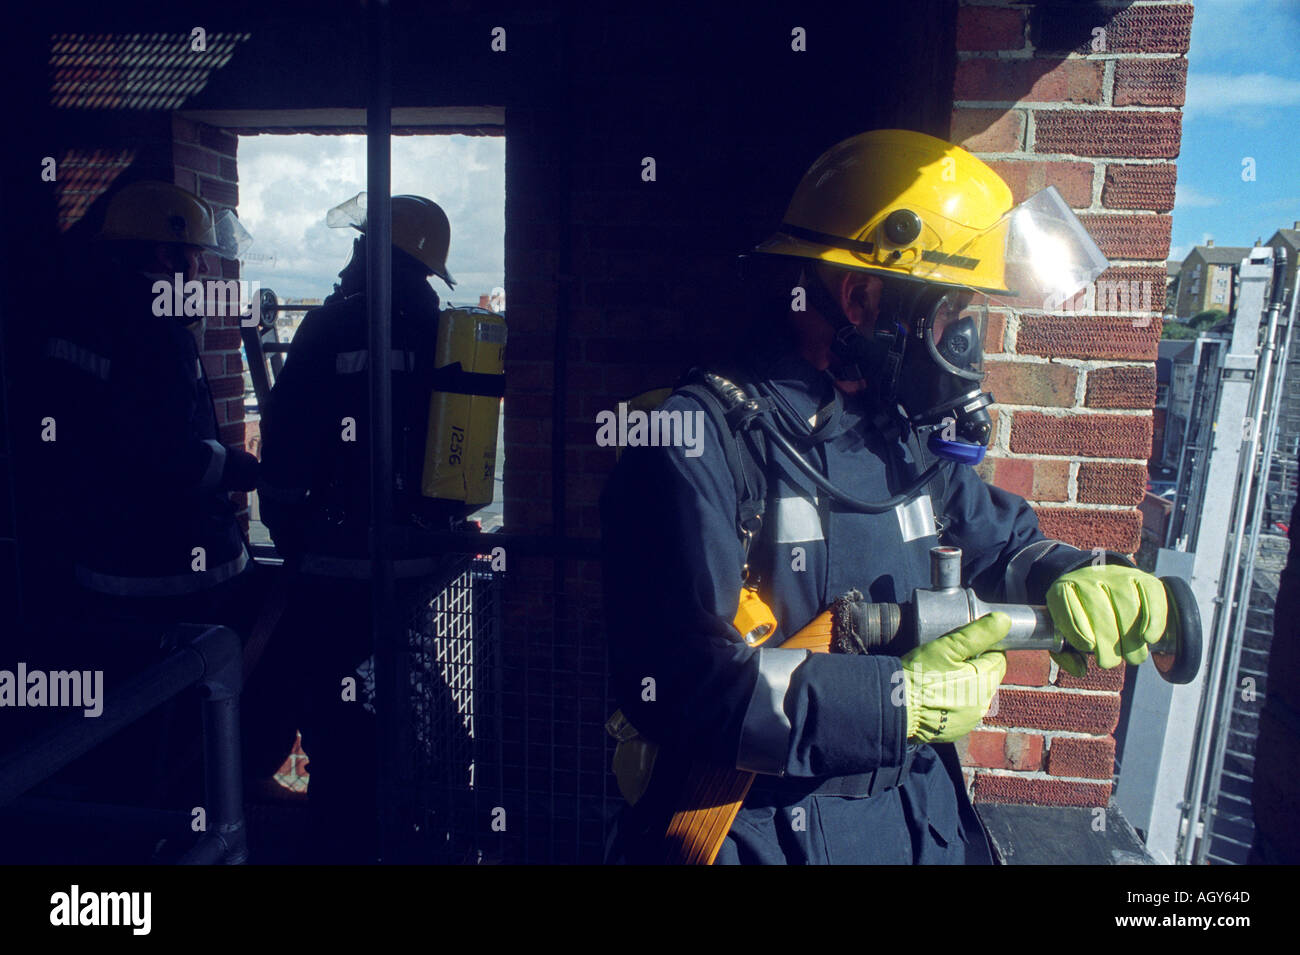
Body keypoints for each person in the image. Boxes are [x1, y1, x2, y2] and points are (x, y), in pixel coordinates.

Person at [600, 129, 1171, 865]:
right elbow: (676, 683)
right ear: (863, 297)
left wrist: (1074, 573)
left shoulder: (896, 431)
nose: (963, 346)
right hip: (764, 839)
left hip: (916, 827)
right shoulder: (696, 440)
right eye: (951, 316)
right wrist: (897, 702)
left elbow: (994, 539)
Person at [35, 180, 291, 812]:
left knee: (141, 706)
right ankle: (234, 797)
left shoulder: (80, 315)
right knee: (252, 655)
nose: (201, 269)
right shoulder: (155, 324)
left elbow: (94, 445)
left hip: (104, 561)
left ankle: (158, 810)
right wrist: (235, 465)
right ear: (166, 257)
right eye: (195, 256)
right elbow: (163, 456)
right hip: (174, 566)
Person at [257, 193, 478, 861]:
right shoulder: (447, 331)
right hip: (416, 564)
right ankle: (417, 826)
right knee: (403, 705)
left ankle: (345, 837)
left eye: (359, 244)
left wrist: (295, 536)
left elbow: (285, 446)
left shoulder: (326, 330)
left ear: (373, 252)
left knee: (339, 720)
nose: (350, 255)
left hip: (332, 568)